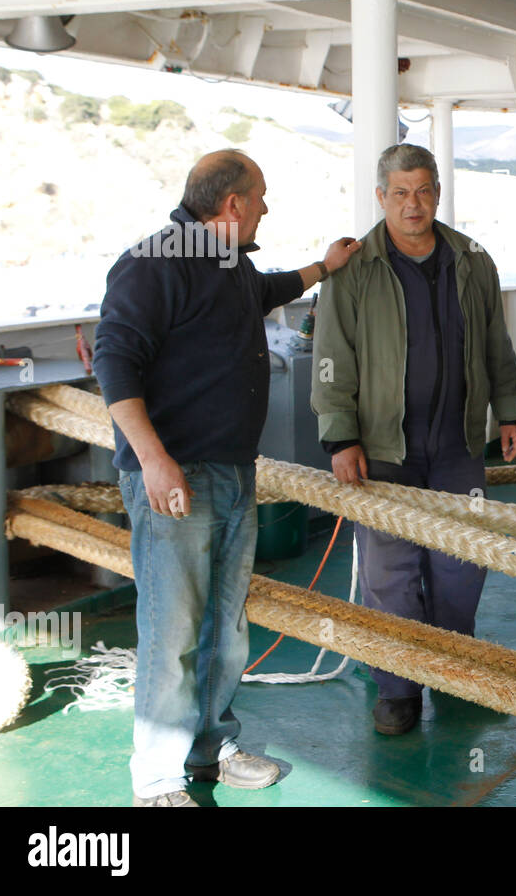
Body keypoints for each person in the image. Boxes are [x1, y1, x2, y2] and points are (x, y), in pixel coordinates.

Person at [94, 149, 360, 806]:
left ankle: (211, 745)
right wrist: (155, 460)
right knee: (172, 627)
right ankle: (156, 781)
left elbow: (268, 289)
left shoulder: (228, 264)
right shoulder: (150, 263)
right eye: (261, 197)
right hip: (176, 480)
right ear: (233, 204)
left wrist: (323, 268)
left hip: (232, 473)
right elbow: (114, 362)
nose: (266, 207)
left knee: (225, 622)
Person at [311, 143, 516, 735]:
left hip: (456, 444)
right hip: (382, 449)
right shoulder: (352, 269)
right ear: (381, 197)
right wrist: (339, 438)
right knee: (389, 572)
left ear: (437, 194)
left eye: (424, 190)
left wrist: (508, 413)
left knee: (461, 564)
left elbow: (495, 344)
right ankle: (398, 688)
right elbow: (331, 360)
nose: (413, 204)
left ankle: (452, 669)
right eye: (400, 192)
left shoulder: (472, 260)